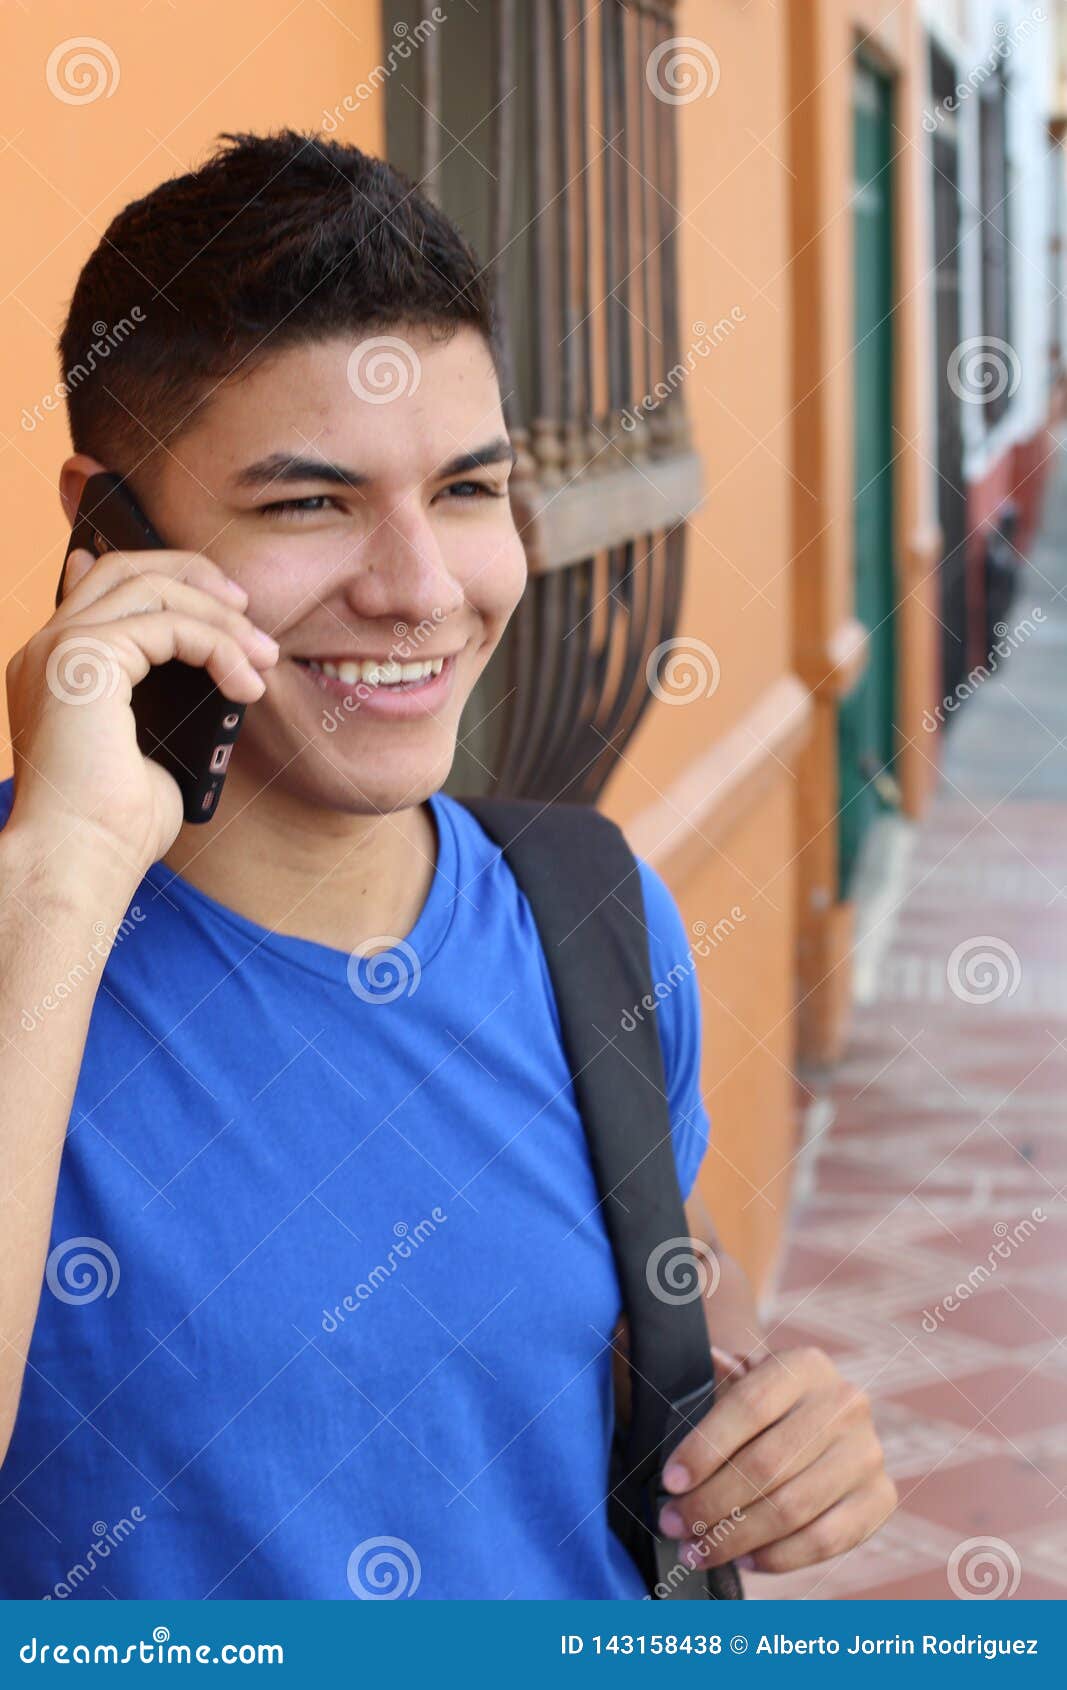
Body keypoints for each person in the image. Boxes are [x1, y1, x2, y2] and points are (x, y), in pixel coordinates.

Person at [0, 130, 894, 1599]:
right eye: (309, 503)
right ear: (109, 529)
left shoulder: (588, 908)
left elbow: (657, 1271)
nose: (421, 590)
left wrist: (763, 1414)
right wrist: (64, 876)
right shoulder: (29, 935)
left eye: (470, 491)